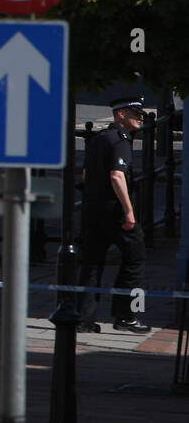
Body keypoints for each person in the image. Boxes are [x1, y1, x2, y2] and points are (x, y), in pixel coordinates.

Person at [76, 96, 150, 334]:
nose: (140, 117)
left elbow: (86, 175)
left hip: (93, 211)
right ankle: (127, 316)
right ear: (120, 115)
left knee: (91, 263)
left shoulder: (98, 139)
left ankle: (84, 319)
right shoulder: (120, 141)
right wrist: (129, 211)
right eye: (134, 113)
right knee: (135, 259)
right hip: (115, 213)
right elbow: (117, 176)